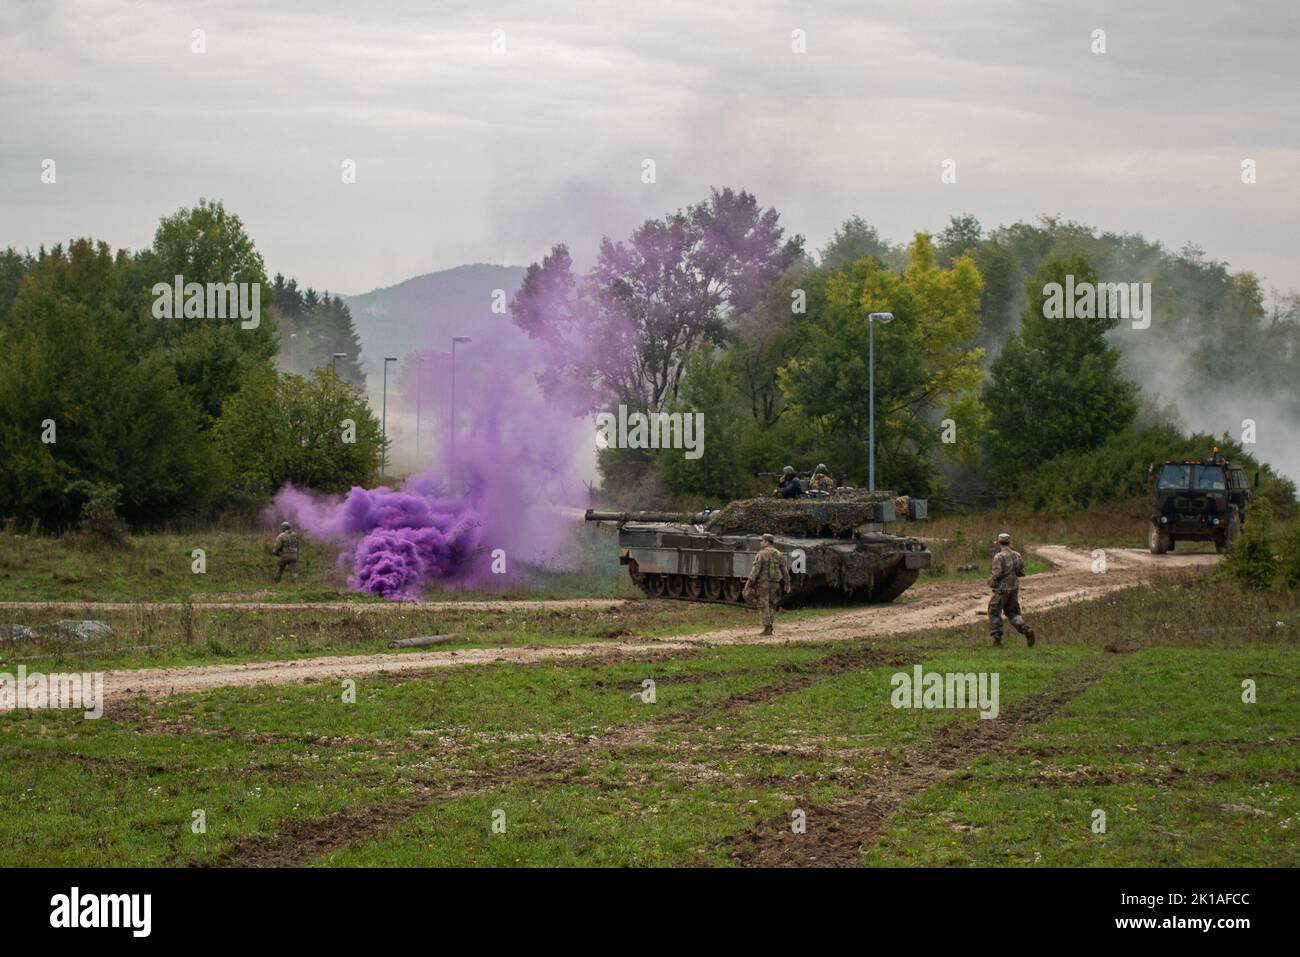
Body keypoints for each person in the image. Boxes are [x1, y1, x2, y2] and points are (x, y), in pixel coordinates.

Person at [988, 532, 1035, 647]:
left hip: (1002, 589)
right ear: (1009, 542)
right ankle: (1026, 630)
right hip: (1014, 588)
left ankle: (997, 640)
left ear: (999, 542)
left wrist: (991, 582)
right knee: (1013, 612)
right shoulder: (1017, 555)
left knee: (994, 611)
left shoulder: (999, 556)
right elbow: (1021, 573)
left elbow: (997, 574)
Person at [744, 533, 791, 636]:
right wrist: (787, 583)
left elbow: (755, 570)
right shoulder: (779, 554)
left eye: (762, 540)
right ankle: (770, 625)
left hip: (763, 583)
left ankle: (767, 627)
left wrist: (748, 583)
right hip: (775, 584)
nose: (761, 542)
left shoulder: (761, 554)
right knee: (772, 605)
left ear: (766, 542)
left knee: (763, 604)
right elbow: (784, 570)